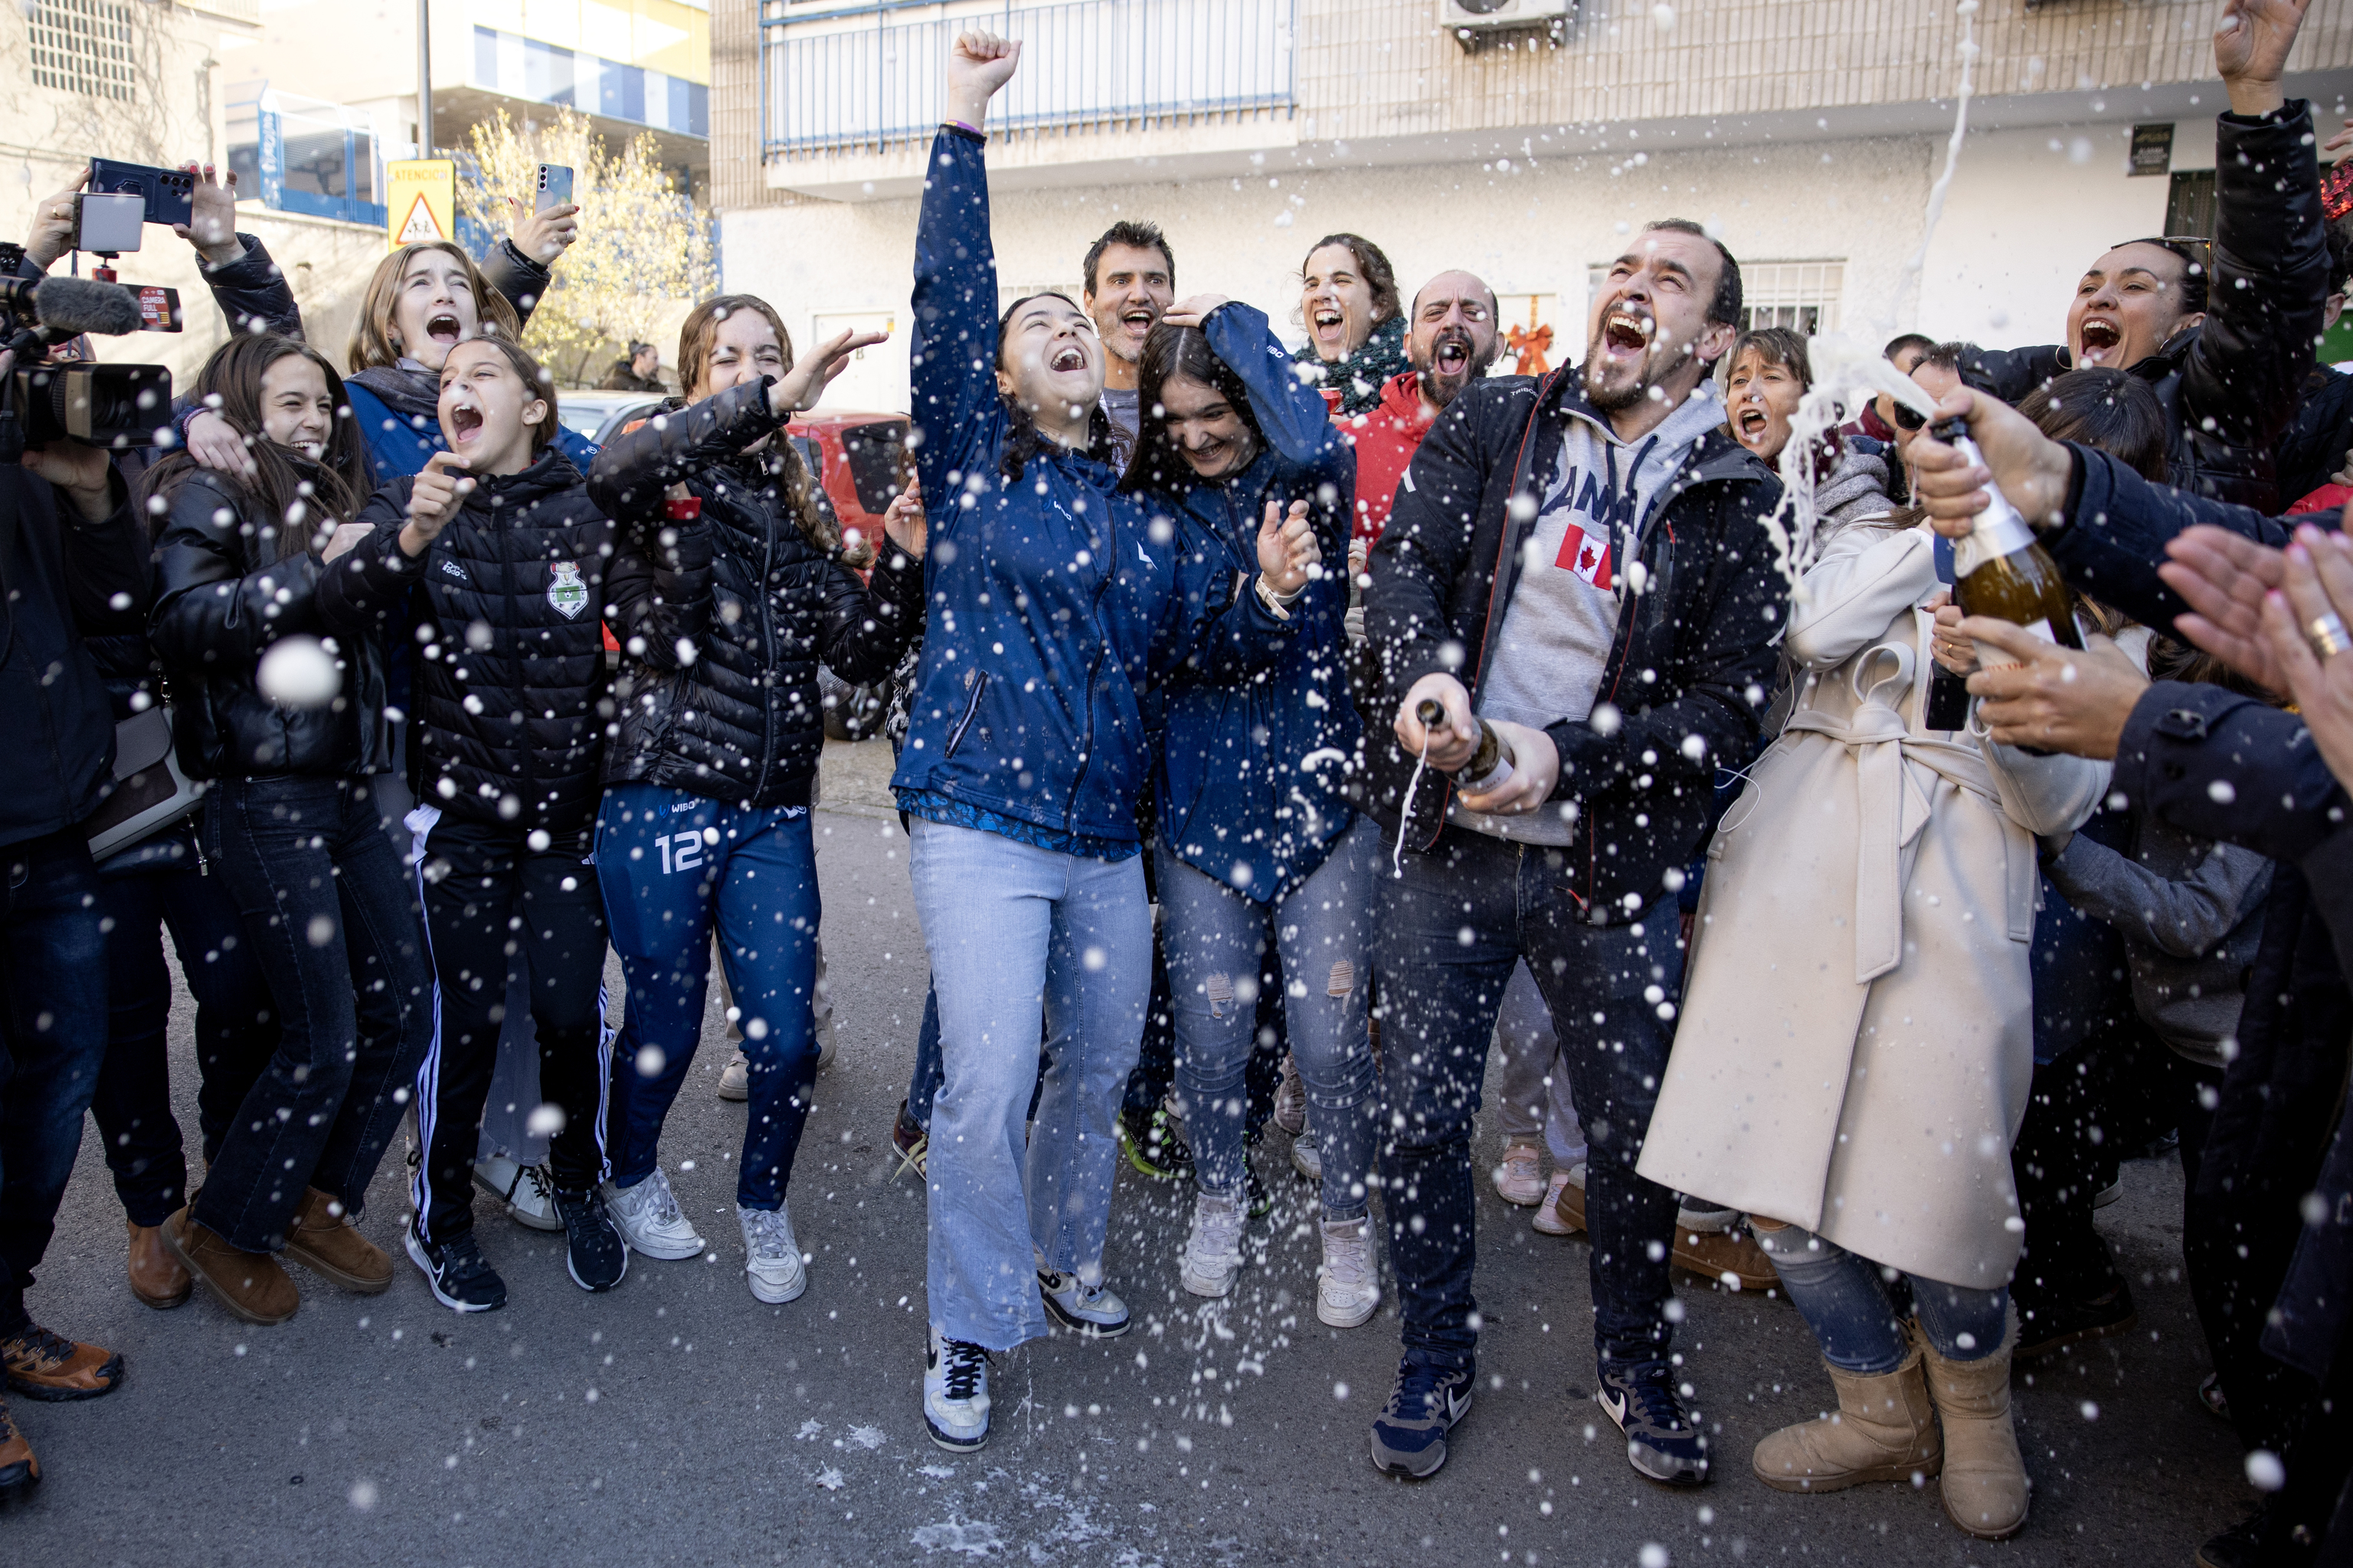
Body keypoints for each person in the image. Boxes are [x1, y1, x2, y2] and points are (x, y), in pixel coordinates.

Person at [895, 30, 1317, 1455]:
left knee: (1091, 1069)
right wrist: (962, 126)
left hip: (1099, 839)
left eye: (1073, 326)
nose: (1065, 331)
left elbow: (1196, 649)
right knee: (988, 1077)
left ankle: (1067, 1257)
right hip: (976, 816)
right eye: (1037, 328)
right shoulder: (970, 463)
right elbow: (951, 299)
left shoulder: (1143, 511)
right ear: (1003, 375)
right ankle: (965, 1321)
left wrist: (1259, 599)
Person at [1362, 218, 1782, 1481]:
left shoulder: (1734, 493)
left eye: (1668, 279)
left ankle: (1633, 1362)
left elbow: (1727, 710)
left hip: (1609, 865)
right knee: (1420, 1118)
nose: (1631, 289)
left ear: (1708, 338)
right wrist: (1429, 686)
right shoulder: (1501, 420)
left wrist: (1565, 752)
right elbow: (1409, 564)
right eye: (1623, 268)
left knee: (1633, 1134)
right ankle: (1434, 1352)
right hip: (1449, 841)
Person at [1906, 386, 2350, 1565]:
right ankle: (2294, 1477)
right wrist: (2058, 489)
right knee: (2240, 1239)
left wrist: (2147, 723)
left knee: (2245, 1240)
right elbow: (2282, 599)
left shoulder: (2189, 704)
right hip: (2264, 1020)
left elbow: (2215, 874)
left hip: (2228, 1011)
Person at [587, 293, 923, 1304]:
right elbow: (612, 471)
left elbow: (856, 651)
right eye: (727, 358)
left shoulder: (793, 498)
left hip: (771, 808)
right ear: (695, 380)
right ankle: (633, 1171)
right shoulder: (651, 462)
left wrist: (902, 555)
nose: (750, 371)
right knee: (668, 1018)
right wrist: (772, 396)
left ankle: (763, 1202)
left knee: (784, 1038)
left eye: (767, 356)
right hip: (660, 793)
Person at [327, 336, 627, 1311]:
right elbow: (343, 604)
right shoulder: (416, 503)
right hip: (459, 825)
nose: (459, 390)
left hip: (565, 823)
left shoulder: (585, 509)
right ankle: (439, 1218)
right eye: (448, 383)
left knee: (573, 1020)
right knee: (460, 1030)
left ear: (534, 409)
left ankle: (579, 1182)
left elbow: (641, 635)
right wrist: (404, 536)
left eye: (482, 377)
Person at [147, 334, 435, 1327]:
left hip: (348, 791)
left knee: (407, 1003)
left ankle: (310, 1197)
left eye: (322, 404)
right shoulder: (204, 492)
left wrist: (357, 545)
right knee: (322, 1032)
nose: (313, 422)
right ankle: (226, 1221)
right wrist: (307, 573)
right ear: (239, 406)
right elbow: (182, 622)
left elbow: (394, 538)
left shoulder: (341, 500)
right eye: (290, 404)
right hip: (260, 799)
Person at [1120, 297, 1380, 1328]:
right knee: (1214, 1040)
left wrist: (1233, 321)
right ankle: (1222, 1192)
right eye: (1173, 419)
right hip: (1203, 818)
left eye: (1211, 411)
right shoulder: (1153, 514)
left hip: (1322, 807)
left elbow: (1311, 427)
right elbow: (1179, 652)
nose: (1193, 437)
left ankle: (1350, 1222)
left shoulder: (1309, 479)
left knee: (1326, 1043)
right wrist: (1261, 601)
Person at [1954, 0, 2325, 510]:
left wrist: (2255, 94)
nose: (2101, 297)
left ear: (2189, 324)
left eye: (2134, 286)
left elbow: (2271, 288)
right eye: (2088, 287)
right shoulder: (2040, 396)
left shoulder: (2215, 406)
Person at [0, 345, 146, 1498]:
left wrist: (96, 496)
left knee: (58, 1076)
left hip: (50, 824)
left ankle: (2, 1308)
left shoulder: (35, 458)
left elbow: (113, 619)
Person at [343, 224, 594, 485]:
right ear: (391, 326)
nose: (444, 295)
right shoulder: (353, 405)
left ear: (477, 322)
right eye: (421, 283)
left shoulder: (512, 398)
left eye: (459, 284)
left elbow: (607, 471)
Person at [1342, 270, 1504, 545]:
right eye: (1435, 313)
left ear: (1497, 346)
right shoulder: (1350, 445)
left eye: (1472, 313)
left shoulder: (1521, 447)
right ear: (1409, 346)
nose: (1453, 321)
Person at [1080, 221, 1175, 463]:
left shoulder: (1200, 393)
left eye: (1155, 280)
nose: (1140, 295)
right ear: (1090, 301)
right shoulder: (1063, 401)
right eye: (1121, 281)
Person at [1294, 234, 1408, 417]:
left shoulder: (1413, 377)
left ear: (1380, 303)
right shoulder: (1288, 380)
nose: (1320, 294)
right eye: (1312, 284)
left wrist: (1358, 438)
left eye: (1341, 281)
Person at [600, 341, 666, 393]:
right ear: (640, 358)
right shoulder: (616, 385)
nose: (658, 364)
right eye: (654, 359)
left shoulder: (660, 389)